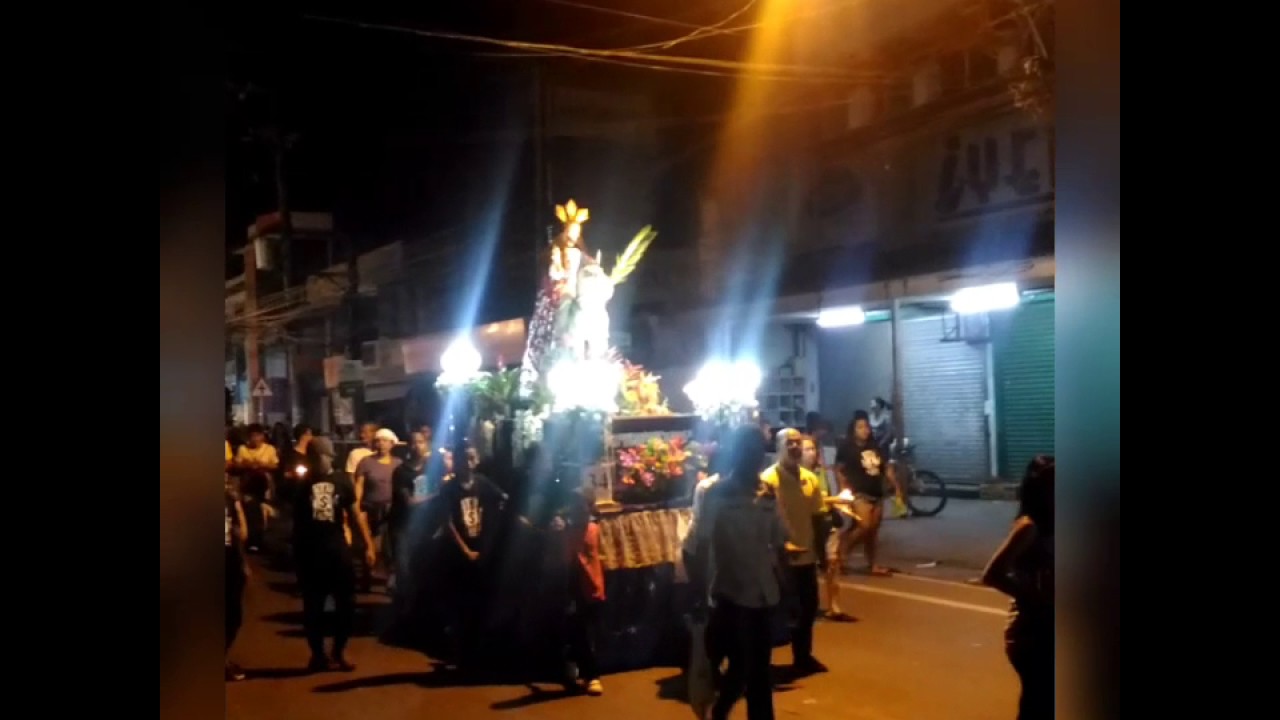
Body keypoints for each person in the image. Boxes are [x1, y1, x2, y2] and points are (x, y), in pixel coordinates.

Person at [697, 426, 785, 720]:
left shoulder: (768, 493)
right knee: (743, 668)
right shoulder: (716, 494)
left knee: (758, 672)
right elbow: (699, 545)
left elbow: (779, 541)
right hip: (731, 595)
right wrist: (698, 595)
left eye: (758, 451)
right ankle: (720, 710)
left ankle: (725, 712)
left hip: (763, 595)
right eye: (749, 451)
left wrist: (787, 588)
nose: (755, 458)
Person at [293, 439, 377, 672]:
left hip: (337, 550)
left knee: (346, 604)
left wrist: (368, 545)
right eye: (310, 457)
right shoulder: (303, 485)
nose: (314, 462)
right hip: (311, 553)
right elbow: (298, 525)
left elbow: (354, 513)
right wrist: (297, 556)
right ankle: (317, 654)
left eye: (317, 457)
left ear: (327, 457)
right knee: (313, 607)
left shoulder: (341, 481)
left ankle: (339, 651)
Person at [982, 456, 1054, 720]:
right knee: (1040, 701)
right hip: (1030, 630)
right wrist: (1035, 598)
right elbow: (992, 574)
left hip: (1048, 625)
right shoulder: (1029, 527)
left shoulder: (1052, 523)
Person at [760, 428, 829, 675]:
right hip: (778, 560)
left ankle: (803, 656)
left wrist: (822, 554)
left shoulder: (810, 479)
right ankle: (762, 664)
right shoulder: (769, 480)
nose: (794, 447)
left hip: (806, 556)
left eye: (798, 443)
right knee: (776, 613)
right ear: (778, 447)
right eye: (789, 443)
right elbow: (762, 521)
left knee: (808, 608)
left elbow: (818, 517)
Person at [438, 441, 508, 666]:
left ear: (476, 461)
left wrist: (488, 540)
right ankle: (458, 652)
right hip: (459, 554)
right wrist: (465, 549)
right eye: (463, 458)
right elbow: (447, 522)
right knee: (460, 604)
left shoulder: (483, 484)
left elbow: (502, 499)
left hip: (482, 551)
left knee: (482, 602)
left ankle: (480, 652)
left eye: (471, 458)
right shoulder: (449, 489)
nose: (467, 462)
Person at [834, 411, 904, 576]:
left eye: (867, 426)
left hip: (876, 493)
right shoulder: (846, 448)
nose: (865, 430)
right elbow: (839, 470)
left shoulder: (875, 447)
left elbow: (886, 468)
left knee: (872, 532)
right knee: (863, 526)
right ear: (853, 429)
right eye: (860, 427)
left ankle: (872, 564)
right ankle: (842, 552)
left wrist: (896, 487)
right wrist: (842, 489)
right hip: (859, 493)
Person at [561, 490, 606, 696]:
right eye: (576, 506)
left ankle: (587, 671)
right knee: (577, 629)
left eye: (582, 506)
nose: (579, 510)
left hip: (591, 586)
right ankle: (589, 673)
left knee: (586, 632)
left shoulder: (593, 529)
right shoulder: (568, 530)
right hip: (573, 584)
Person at [353, 428, 402, 593]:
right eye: (378, 440)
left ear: (392, 443)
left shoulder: (398, 464)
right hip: (370, 508)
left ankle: (391, 577)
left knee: (389, 545)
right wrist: (357, 506)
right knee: (370, 545)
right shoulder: (366, 462)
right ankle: (367, 573)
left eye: (385, 441)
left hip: (391, 510)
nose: (381, 444)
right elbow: (359, 486)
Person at [390, 431, 432, 599]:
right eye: (414, 443)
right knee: (404, 570)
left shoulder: (432, 467)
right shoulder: (401, 472)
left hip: (426, 528)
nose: (417, 446)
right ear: (408, 446)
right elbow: (409, 501)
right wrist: (435, 494)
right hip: (403, 527)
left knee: (424, 570)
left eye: (421, 442)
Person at [232, 424, 280, 553]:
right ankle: (253, 540)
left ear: (262, 437)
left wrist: (263, 465)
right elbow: (237, 464)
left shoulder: (269, 449)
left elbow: (275, 465)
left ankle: (264, 539)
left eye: (258, 436)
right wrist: (247, 465)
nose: (255, 439)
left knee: (265, 513)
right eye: (252, 436)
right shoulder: (243, 449)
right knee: (252, 513)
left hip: (265, 487)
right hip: (248, 487)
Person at [225, 477, 250, 681]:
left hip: (229, 561)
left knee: (233, 614)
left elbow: (241, 534)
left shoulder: (228, 499)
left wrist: (237, 505)